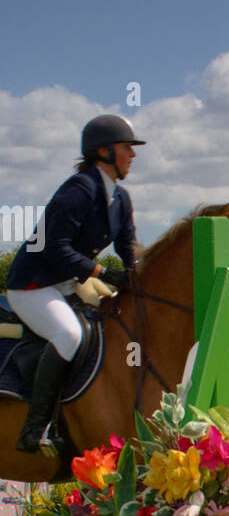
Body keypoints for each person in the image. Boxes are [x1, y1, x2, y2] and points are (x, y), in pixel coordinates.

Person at [5, 114, 143, 453]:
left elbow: (128, 247)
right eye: (126, 148)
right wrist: (101, 272)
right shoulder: (78, 189)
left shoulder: (120, 198)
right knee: (69, 334)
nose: (133, 155)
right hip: (33, 284)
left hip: (67, 283)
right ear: (103, 152)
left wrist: (138, 275)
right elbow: (55, 248)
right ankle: (34, 429)